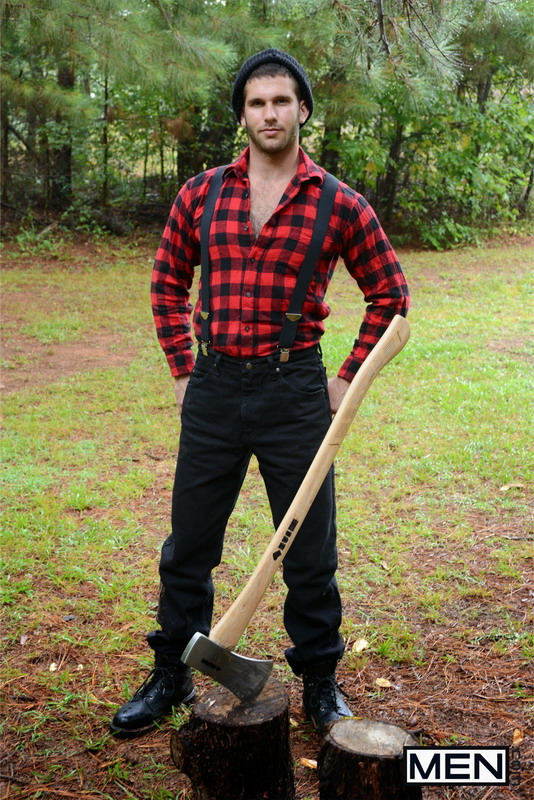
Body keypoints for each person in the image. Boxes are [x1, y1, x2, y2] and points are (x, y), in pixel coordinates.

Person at [110, 48, 410, 739]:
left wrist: (344, 380)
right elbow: (165, 280)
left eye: (281, 101)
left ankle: (320, 680)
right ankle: (171, 673)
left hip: (294, 391)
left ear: (302, 110)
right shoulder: (202, 192)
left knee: (309, 550)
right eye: (256, 103)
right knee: (189, 543)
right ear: (242, 115)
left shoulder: (340, 203)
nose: (269, 113)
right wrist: (184, 369)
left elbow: (391, 296)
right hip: (214, 387)